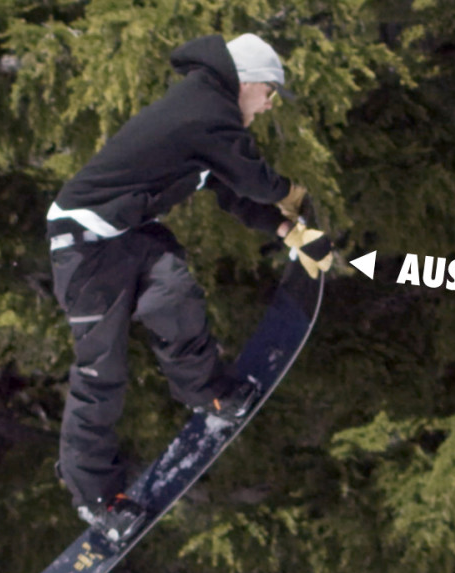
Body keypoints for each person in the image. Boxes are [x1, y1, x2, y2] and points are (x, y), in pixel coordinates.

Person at [46, 33, 333, 543]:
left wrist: (290, 231)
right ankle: (95, 499)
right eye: (268, 93)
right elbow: (251, 177)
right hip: (85, 246)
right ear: (245, 82)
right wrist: (293, 194)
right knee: (101, 372)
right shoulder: (204, 107)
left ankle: (210, 395)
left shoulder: (206, 122)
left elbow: (230, 189)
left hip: (133, 234)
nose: (268, 107)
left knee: (176, 299)